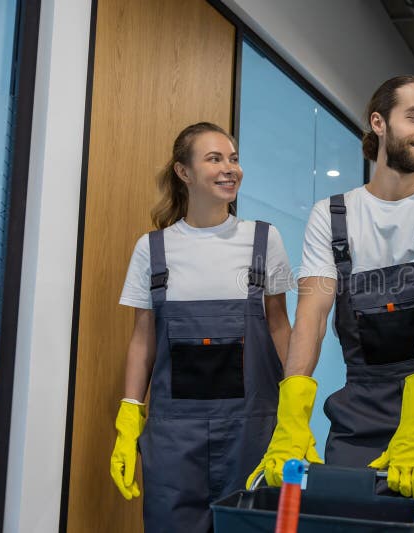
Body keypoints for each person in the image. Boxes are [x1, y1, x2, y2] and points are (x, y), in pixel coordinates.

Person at [248, 75, 414, 532]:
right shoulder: (331, 215)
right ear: (378, 123)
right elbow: (312, 317)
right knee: (348, 520)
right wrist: (291, 416)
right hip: (361, 403)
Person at [109, 122, 294, 532]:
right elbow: (143, 339)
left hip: (254, 431)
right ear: (184, 172)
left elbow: (279, 326)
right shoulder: (153, 249)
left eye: (233, 158)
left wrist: (296, 410)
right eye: (215, 158)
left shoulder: (263, 240)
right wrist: (129, 411)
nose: (230, 168)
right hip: (174, 440)